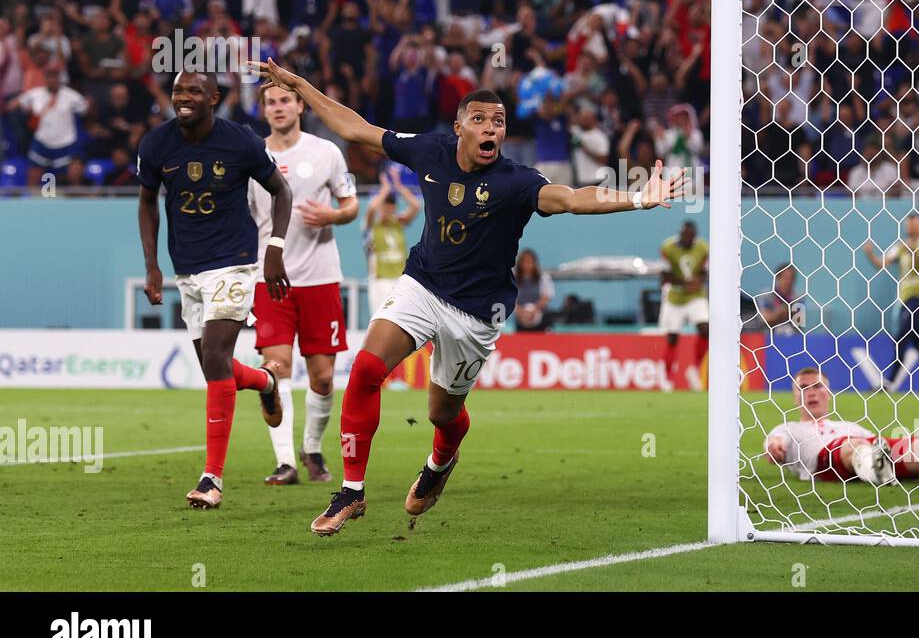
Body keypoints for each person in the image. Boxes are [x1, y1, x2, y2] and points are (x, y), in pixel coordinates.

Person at [252, 58, 685, 536]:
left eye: (498, 122)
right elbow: (357, 129)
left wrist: (637, 196)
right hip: (423, 283)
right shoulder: (430, 151)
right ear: (459, 126)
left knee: (443, 413)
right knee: (366, 369)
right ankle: (351, 492)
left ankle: (441, 459)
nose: (490, 129)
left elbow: (571, 198)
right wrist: (301, 86)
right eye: (479, 119)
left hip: (477, 312)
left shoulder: (516, 182)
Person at [136, 71, 292, 510]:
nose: (183, 99)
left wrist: (274, 248)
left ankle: (212, 478)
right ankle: (264, 381)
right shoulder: (155, 144)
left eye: (193, 92)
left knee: (218, 358)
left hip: (234, 262)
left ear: (214, 99)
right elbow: (147, 202)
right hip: (187, 269)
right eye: (178, 91)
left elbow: (282, 192)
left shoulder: (241, 141)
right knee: (213, 369)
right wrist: (152, 266)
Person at [250, 82, 359, 486]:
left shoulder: (325, 152)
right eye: (270, 103)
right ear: (263, 111)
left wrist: (333, 215)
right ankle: (285, 462)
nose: (278, 108)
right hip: (271, 280)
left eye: (284, 100)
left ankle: (311, 448)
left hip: (320, 278)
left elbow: (351, 204)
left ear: (299, 105)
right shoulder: (253, 157)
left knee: (324, 378)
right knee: (276, 370)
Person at [763, 368, 919, 486]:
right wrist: (775, 449)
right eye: (803, 388)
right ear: (795, 397)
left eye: (817, 386)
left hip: (872, 450)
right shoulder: (789, 428)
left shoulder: (847, 425)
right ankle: (875, 472)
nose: (812, 393)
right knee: (854, 445)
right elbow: (774, 444)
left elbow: (883, 445)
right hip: (826, 462)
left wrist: (917, 439)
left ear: (829, 392)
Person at [862, 215, 919, 392]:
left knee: (903, 335)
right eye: (909, 224)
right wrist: (869, 254)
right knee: (917, 338)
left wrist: (912, 249)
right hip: (905, 298)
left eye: (915, 224)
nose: (912, 228)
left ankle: (889, 383)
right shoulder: (901, 245)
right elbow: (881, 264)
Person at [364, 165, 421, 318]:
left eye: (391, 209)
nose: (388, 212)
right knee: (379, 318)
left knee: (401, 320)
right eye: (385, 209)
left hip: (399, 279)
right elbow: (370, 209)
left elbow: (416, 206)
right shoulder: (372, 226)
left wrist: (398, 186)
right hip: (380, 280)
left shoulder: (398, 223)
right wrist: (385, 189)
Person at [659, 220, 708, 390]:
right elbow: (664, 276)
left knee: (705, 329)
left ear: (694, 236)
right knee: (672, 338)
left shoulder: (702, 248)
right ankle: (667, 377)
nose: (687, 238)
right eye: (684, 235)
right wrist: (685, 283)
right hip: (675, 297)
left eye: (690, 235)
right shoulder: (668, 248)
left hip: (695, 296)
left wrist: (699, 280)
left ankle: (695, 369)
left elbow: (705, 272)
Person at [758, 264, 806, 336]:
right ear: (778, 278)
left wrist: (791, 312)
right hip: (769, 337)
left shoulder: (798, 297)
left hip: (792, 336)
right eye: (785, 277)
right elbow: (764, 319)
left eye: (791, 278)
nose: (788, 281)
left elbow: (800, 322)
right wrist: (778, 313)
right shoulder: (766, 295)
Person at [514, 248, 555, 332]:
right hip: (522, 321)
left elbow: (546, 297)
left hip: (542, 320)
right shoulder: (514, 279)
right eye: (525, 262)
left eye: (530, 262)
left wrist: (535, 310)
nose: (527, 265)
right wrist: (520, 312)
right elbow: (510, 298)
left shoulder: (543, 277)